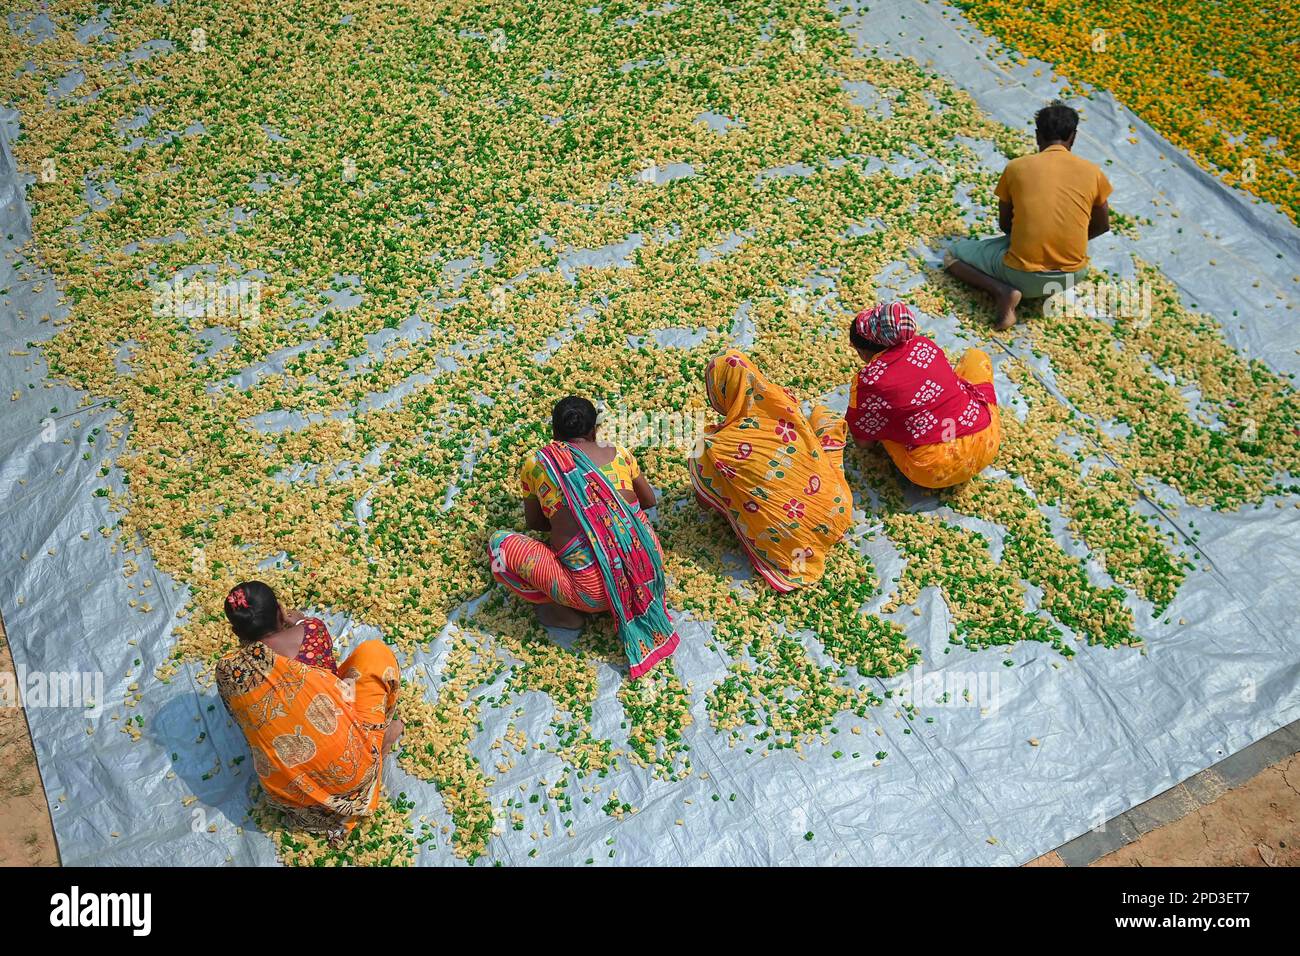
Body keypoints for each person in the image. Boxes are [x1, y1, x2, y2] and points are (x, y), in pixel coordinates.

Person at [488, 396, 680, 680]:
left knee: (499, 549)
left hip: (592, 594)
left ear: (554, 434)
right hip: (646, 570)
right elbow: (649, 500)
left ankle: (562, 612)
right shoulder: (619, 452)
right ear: (594, 432)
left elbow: (535, 524)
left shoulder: (538, 464)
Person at [215, 581, 403, 838]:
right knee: (374, 654)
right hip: (353, 774)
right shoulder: (311, 632)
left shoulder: (229, 673)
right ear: (281, 612)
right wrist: (301, 622)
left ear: (236, 632)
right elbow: (330, 684)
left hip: (294, 794)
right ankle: (381, 742)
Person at [688, 349, 852, 591]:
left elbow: (704, 503)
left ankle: (794, 535)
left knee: (704, 464)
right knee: (818, 423)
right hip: (836, 510)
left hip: (793, 548)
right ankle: (819, 521)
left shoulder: (712, 447)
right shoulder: (781, 401)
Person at [946, 100, 1112, 330]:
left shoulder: (1017, 167)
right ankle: (1032, 288)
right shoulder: (1094, 172)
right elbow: (1103, 224)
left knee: (952, 255)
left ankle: (1002, 291)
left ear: (1037, 135)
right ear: (1073, 137)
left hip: (1021, 275)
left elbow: (1006, 225)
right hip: (1072, 275)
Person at [846, 302, 1001, 489]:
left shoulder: (869, 382)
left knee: (884, 421)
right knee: (976, 356)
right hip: (986, 443)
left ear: (862, 352)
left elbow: (864, 443)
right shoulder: (924, 344)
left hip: (932, 471)